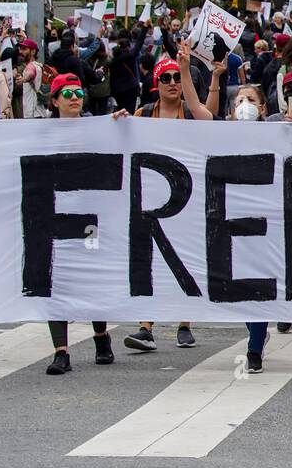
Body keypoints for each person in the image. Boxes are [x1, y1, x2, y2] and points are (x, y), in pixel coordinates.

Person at [109, 52, 215, 352]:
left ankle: (184, 323)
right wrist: (117, 121)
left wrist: (184, 71)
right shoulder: (143, 114)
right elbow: (121, 142)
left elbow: (206, 117)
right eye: (165, 78)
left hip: (186, 195)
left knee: (185, 259)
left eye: (175, 79)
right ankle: (146, 326)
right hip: (151, 197)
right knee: (149, 261)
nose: (171, 83)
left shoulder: (189, 111)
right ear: (155, 84)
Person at [41, 73, 116, 374]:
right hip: (52, 216)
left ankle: (100, 336)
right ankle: (61, 351)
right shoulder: (39, 133)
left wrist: (120, 125)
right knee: (52, 282)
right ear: (55, 100)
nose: (74, 98)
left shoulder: (97, 129)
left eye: (79, 92)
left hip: (89, 217)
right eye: (67, 93)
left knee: (90, 279)